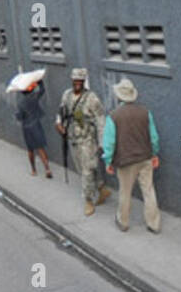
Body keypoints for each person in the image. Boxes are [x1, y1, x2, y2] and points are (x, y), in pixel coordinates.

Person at [103, 77, 160, 233]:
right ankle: (154, 224)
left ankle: (123, 221)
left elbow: (109, 143)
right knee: (149, 190)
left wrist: (108, 161)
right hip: (145, 157)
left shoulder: (113, 116)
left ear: (119, 96)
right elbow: (154, 138)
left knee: (125, 192)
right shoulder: (145, 112)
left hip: (126, 161)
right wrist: (154, 154)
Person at [56, 67, 110, 217]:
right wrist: (59, 124)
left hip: (88, 140)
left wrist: (102, 142)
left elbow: (101, 120)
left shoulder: (91, 98)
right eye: (75, 81)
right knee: (83, 168)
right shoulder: (66, 95)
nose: (77, 83)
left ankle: (88, 200)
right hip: (72, 138)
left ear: (84, 81)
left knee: (87, 170)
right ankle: (102, 188)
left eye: (80, 81)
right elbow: (61, 112)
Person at [16, 78, 52, 178]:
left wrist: (18, 115)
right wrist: (39, 81)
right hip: (36, 124)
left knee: (30, 149)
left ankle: (33, 170)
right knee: (41, 148)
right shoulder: (34, 97)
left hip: (26, 127)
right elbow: (42, 90)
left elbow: (20, 116)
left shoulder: (20, 103)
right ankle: (47, 169)